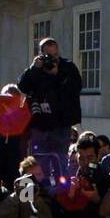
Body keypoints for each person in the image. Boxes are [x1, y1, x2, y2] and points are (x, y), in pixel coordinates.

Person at [18, 37, 83, 182]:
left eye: (55, 55)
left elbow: (75, 88)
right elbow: (22, 87)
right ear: (41, 54)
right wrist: (33, 69)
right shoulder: (37, 69)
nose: (52, 60)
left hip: (61, 123)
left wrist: (56, 74)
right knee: (41, 163)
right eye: (48, 56)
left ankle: (62, 191)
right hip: (40, 124)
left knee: (60, 161)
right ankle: (43, 190)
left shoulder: (68, 67)